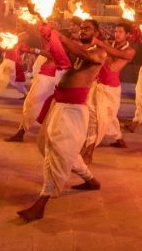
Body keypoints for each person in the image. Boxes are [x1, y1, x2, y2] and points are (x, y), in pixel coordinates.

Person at [17, 19, 106, 222]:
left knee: (58, 150)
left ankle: (42, 201)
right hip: (59, 105)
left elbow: (86, 55)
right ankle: (90, 180)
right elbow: (59, 56)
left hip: (74, 110)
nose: (82, 30)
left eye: (88, 28)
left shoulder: (99, 52)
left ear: (97, 32)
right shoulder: (78, 50)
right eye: (82, 27)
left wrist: (59, 35)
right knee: (51, 146)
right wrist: (49, 35)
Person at [82, 21, 136, 163]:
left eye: (120, 32)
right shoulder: (108, 44)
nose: (116, 34)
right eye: (116, 31)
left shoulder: (130, 51)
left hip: (110, 89)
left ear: (128, 35)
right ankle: (118, 139)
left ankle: (89, 152)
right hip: (97, 84)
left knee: (102, 118)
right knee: (97, 117)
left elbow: (113, 67)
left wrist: (101, 45)